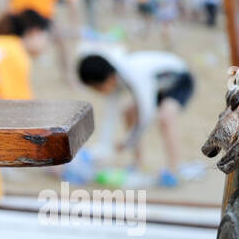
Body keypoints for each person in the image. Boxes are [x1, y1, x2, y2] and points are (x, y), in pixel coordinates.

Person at [76, 46, 193, 188]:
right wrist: (103, 148)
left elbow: (146, 115)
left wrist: (127, 141)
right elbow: (109, 117)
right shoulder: (113, 77)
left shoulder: (134, 74)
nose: (99, 92)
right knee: (128, 112)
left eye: (97, 88)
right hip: (157, 85)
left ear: (107, 79)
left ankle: (173, 171)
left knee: (165, 116)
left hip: (179, 79)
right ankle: (137, 164)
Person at [0, 10, 50, 100]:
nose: (46, 45)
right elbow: (17, 103)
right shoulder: (14, 52)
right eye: (46, 37)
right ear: (35, 32)